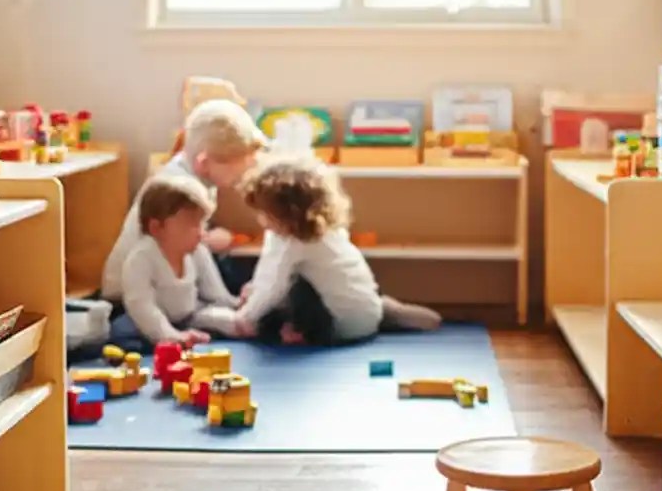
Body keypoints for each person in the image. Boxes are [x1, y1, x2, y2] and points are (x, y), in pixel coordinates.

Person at [233, 154, 442, 345]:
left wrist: (246, 317)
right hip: (364, 311)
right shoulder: (328, 231)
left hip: (338, 328)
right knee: (331, 281)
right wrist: (255, 288)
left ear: (287, 215)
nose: (260, 219)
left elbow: (272, 286)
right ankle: (381, 310)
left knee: (289, 294)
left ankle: (300, 330)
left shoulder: (293, 244)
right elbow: (268, 277)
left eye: (265, 214)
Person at [100, 98, 264, 306]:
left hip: (163, 272)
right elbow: (186, 246)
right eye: (236, 170)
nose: (242, 174)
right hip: (132, 294)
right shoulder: (177, 187)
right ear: (204, 163)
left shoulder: (195, 174)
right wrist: (224, 298)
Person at [109, 174, 240, 347]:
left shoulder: (197, 251)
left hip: (190, 315)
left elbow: (215, 294)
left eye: (202, 224)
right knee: (121, 331)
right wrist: (169, 335)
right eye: (191, 225)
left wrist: (237, 304)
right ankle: (171, 341)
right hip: (148, 321)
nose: (200, 233)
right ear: (157, 228)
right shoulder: (141, 259)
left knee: (230, 321)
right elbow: (142, 306)